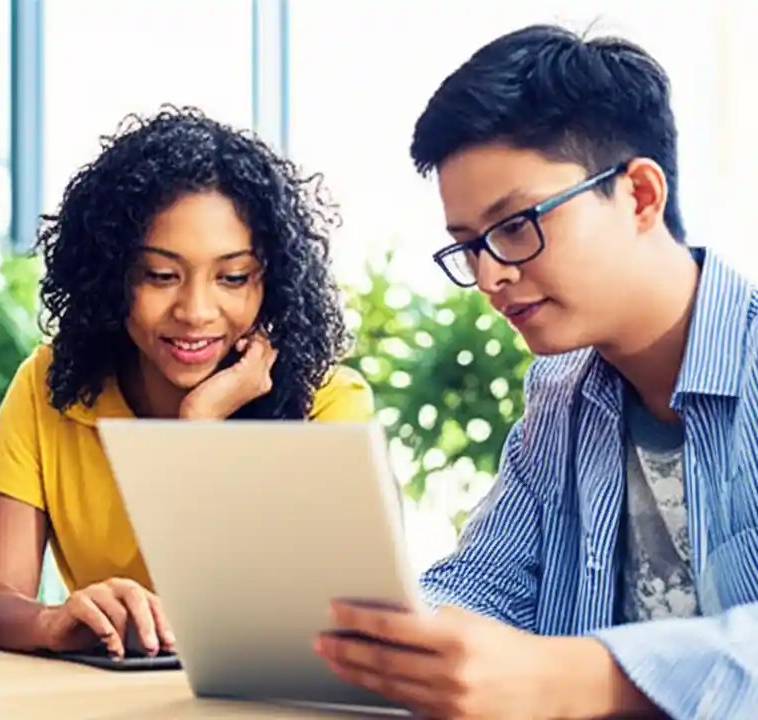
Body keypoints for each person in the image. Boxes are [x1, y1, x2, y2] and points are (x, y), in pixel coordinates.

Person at [313, 24, 758, 718]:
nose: (491, 276)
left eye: (516, 224)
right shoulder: (559, 395)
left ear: (640, 195)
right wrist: (383, 642)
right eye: (468, 247)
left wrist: (579, 679)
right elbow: (480, 587)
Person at [0, 106, 374, 658]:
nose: (196, 311)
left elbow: (297, 627)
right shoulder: (53, 385)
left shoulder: (326, 404)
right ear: (111, 275)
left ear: (270, 282)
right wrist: (57, 622)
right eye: (160, 275)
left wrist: (197, 426)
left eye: (232, 277)